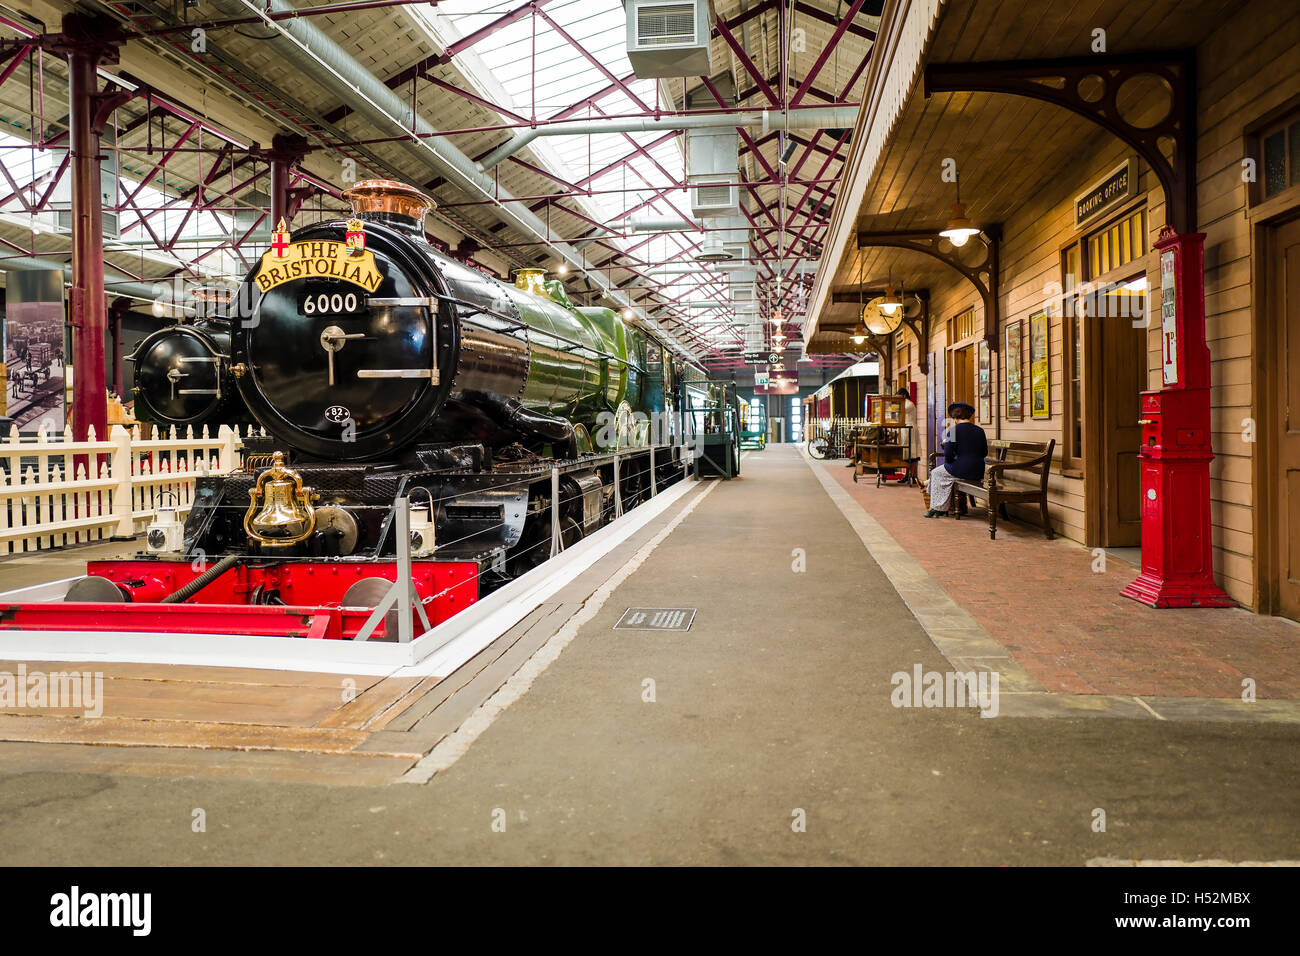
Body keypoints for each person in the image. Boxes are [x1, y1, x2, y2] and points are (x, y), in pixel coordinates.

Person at [924, 402, 987, 517]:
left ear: (955, 418)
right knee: (945, 475)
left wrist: (952, 463)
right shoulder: (979, 430)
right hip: (978, 470)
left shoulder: (952, 431)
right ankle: (940, 506)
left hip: (961, 468)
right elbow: (984, 452)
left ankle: (938, 508)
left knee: (936, 473)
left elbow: (948, 454)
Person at [895, 386, 919, 483]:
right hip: (905, 429)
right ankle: (908, 475)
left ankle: (912, 475)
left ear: (904, 395)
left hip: (910, 429)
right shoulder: (903, 403)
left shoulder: (909, 404)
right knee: (907, 452)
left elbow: (900, 412)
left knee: (912, 452)